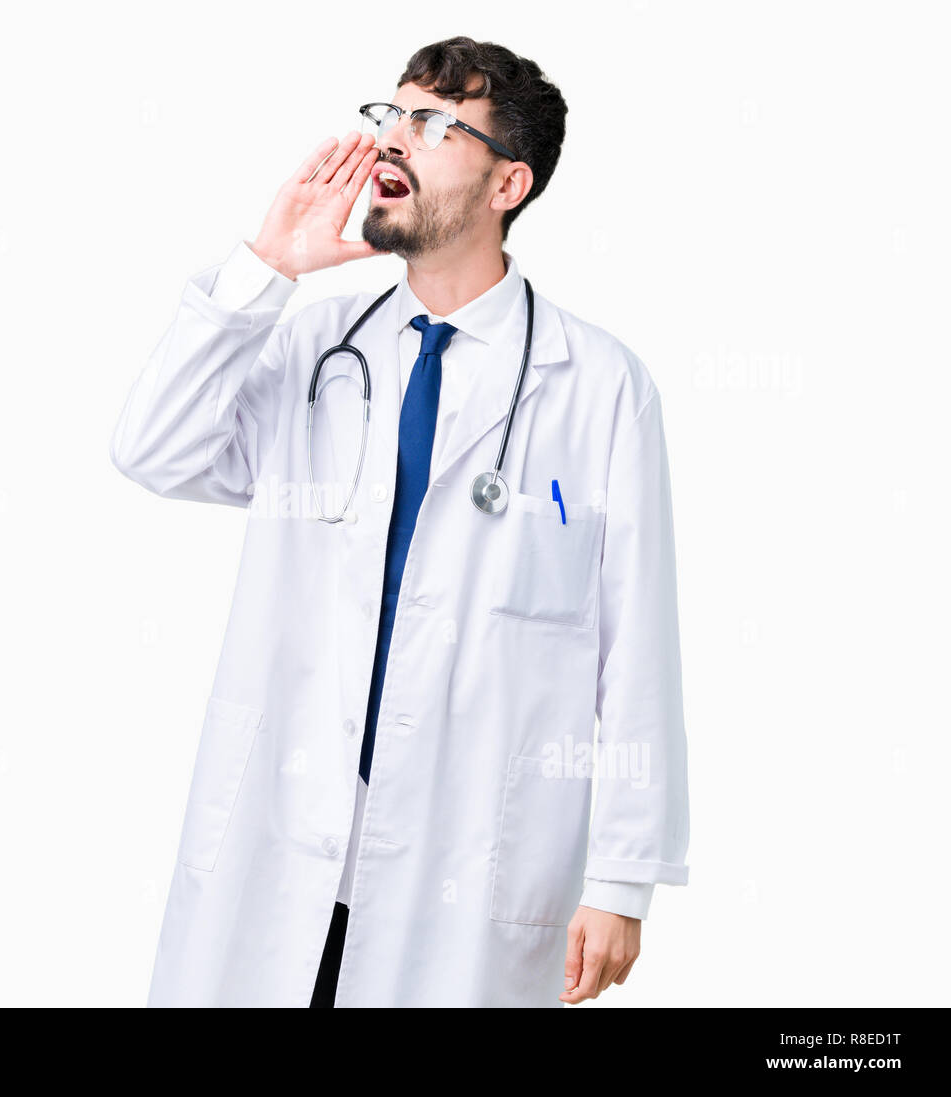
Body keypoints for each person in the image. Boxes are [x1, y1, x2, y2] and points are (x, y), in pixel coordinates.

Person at [111, 35, 689, 1008]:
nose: (393, 139)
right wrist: (269, 264)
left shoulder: (597, 386)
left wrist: (622, 874)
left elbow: (635, 646)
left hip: (464, 872)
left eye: (432, 122)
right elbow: (153, 448)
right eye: (390, 115)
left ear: (509, 182)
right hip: (280, 852)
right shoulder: (309, 344)